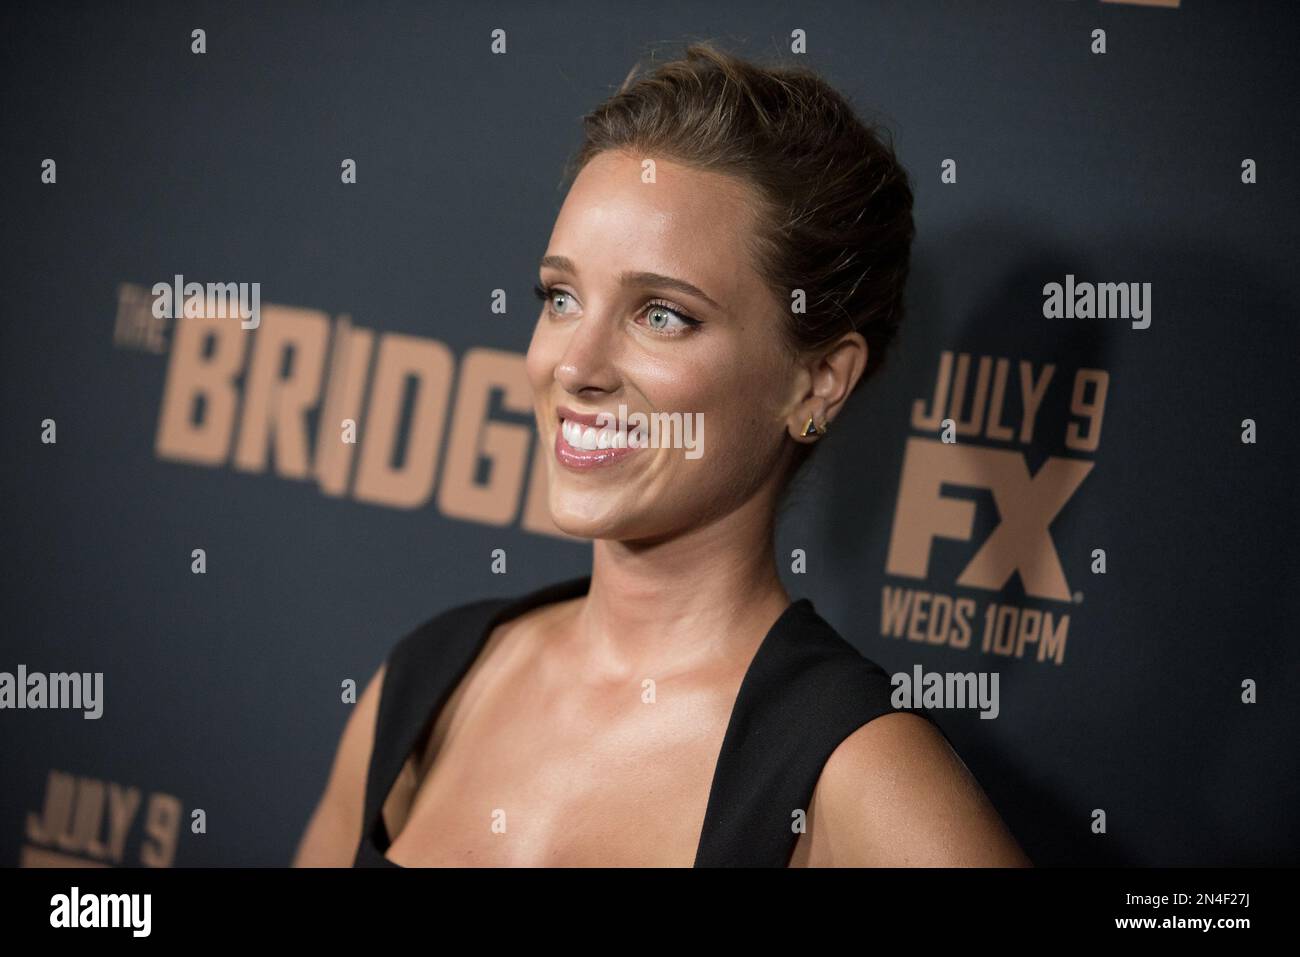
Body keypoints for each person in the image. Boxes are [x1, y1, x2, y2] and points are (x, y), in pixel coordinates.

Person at [294, 41, 1031, 868]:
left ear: (817, 382)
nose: (575, 366)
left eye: (662, 315)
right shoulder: (429, 681)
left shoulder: (857, 773)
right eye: (561, 297)